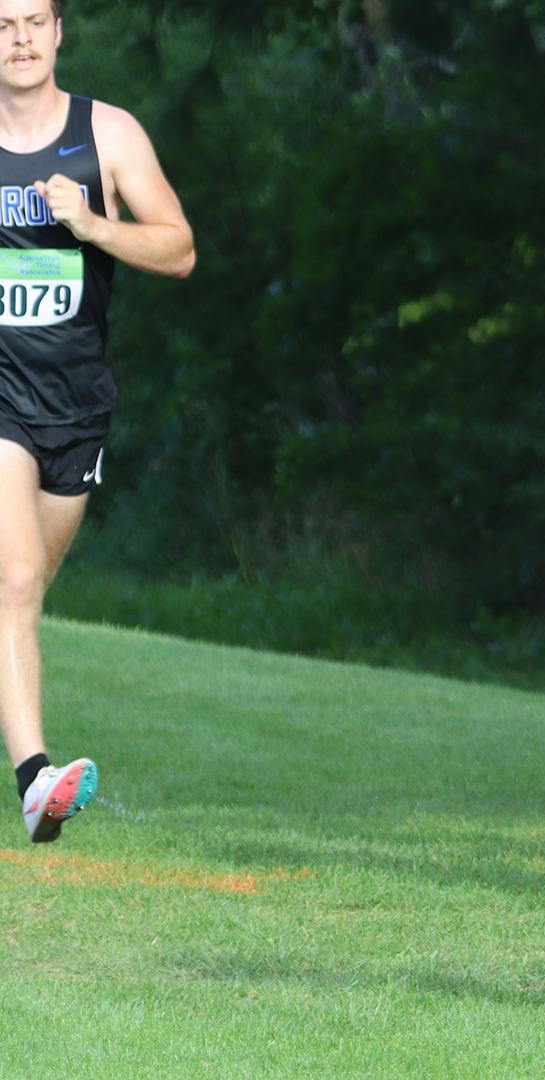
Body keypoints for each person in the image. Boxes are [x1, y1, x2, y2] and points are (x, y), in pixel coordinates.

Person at [0, 0, 196, 843]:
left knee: (24, 594)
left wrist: (88, 225)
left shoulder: (107, 134)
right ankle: (37, 780)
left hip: (77, 409)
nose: (20, 38)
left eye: (34, 21)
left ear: (59, 32)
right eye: (3, 23)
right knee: (10, 583)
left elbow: (180, 249)